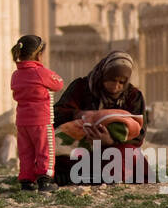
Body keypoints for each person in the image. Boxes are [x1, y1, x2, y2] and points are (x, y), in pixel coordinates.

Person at [53, 50, 147, 184]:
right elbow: (57, 114)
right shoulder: (81, 87)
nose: (116, 86)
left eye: (121, 82)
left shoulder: (133, 96)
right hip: (80, 146)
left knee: (126, 154)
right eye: (112, 80)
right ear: (103, 75)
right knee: (59, 155)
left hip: (114, 148)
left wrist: (109, 140)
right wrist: (78, 114)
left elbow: (139, 132)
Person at [9, 34, 65, 192]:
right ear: (39, 55)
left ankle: (26, 181)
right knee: (45, 150)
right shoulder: (41, 73)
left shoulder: (16, 74)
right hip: (41, 120)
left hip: (22, 121)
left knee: (26, 152)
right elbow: (58, 83)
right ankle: (45, 180)